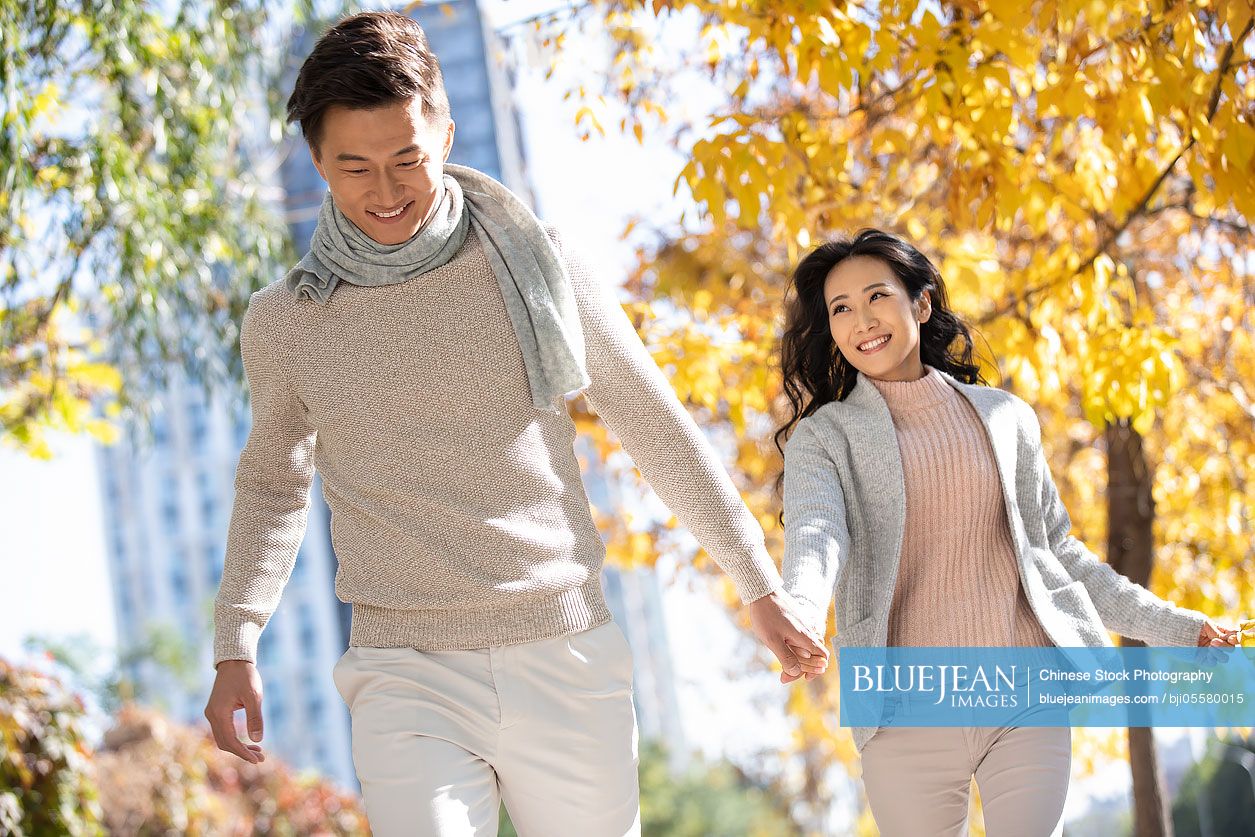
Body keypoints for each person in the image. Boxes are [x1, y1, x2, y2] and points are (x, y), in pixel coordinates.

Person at [200, 10, 828, 836]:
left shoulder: (540, 264)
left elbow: (650, 419)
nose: (385, 192)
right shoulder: (287, 320)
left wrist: (757, 578)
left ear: (447, 134)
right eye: (354, 167)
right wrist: (235, 639)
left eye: (407, 161)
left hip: (563, 648)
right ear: (315, 158)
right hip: (404, 668)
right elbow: (274, 486)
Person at [774, 228, 1241, 836]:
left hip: (1024, 693)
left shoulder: (1005, 417)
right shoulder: (825, 437)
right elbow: (816, 529)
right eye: (840, 309)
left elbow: (1061, 557)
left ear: (921, 303)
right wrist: (803, 609)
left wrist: (1179, 628)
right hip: (903, 706)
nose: (862, 320)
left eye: (877, 297)